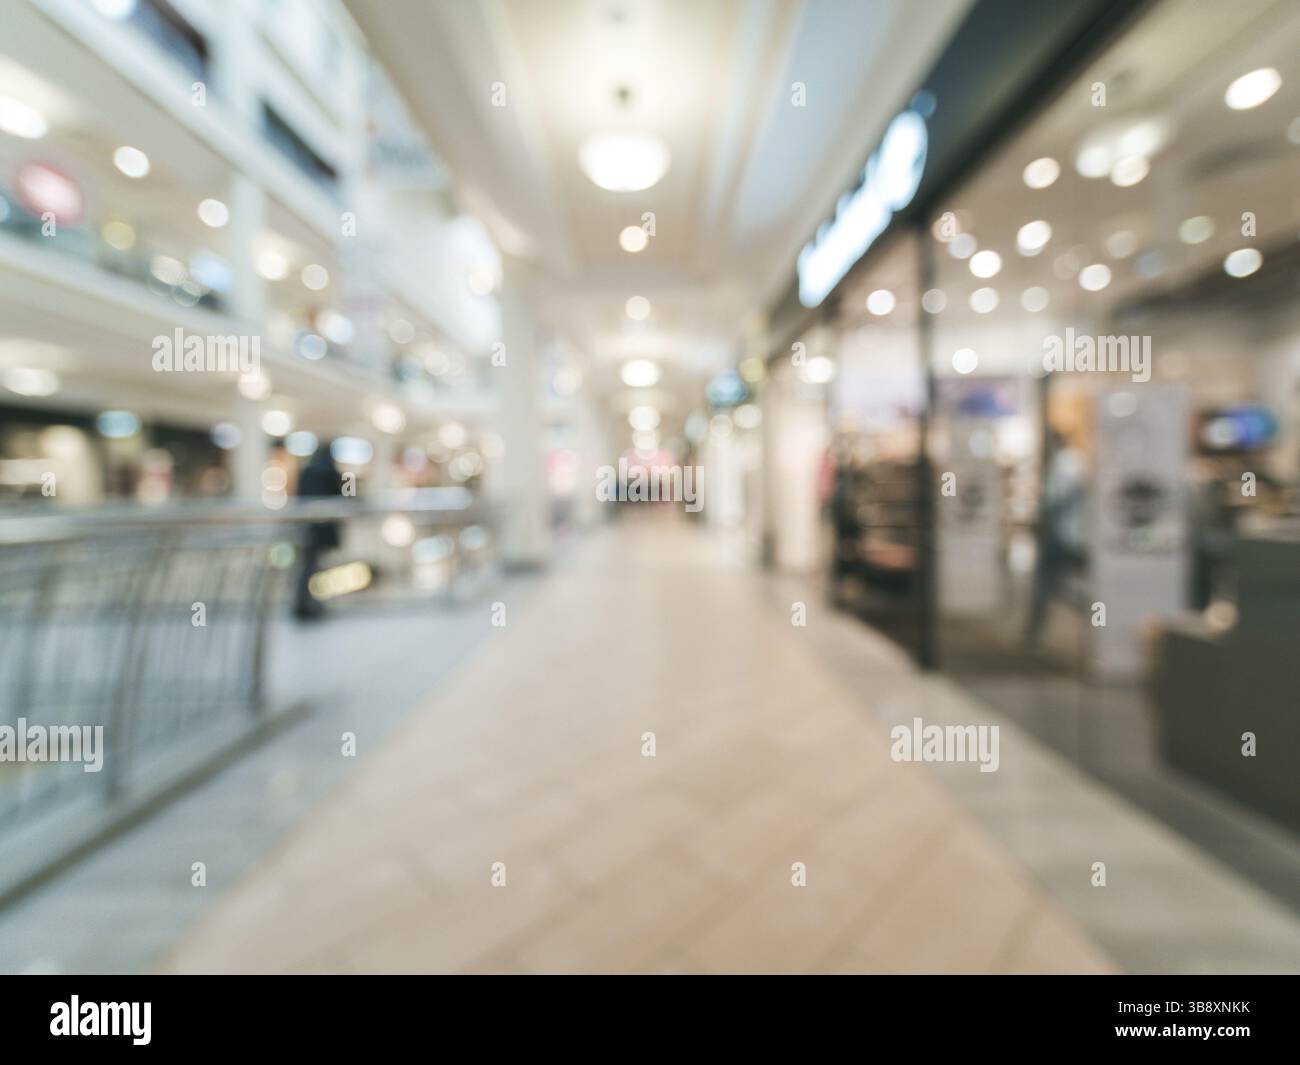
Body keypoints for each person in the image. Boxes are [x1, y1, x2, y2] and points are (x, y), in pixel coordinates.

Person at [293, 445, 344, 620]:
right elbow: (348, 494)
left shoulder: (306, 471)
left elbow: (298, 496)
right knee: (320, 568)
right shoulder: (334, 472)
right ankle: (316, 603)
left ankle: (303, 603)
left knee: (307, 567)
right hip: (326, 529)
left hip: (308, 528)